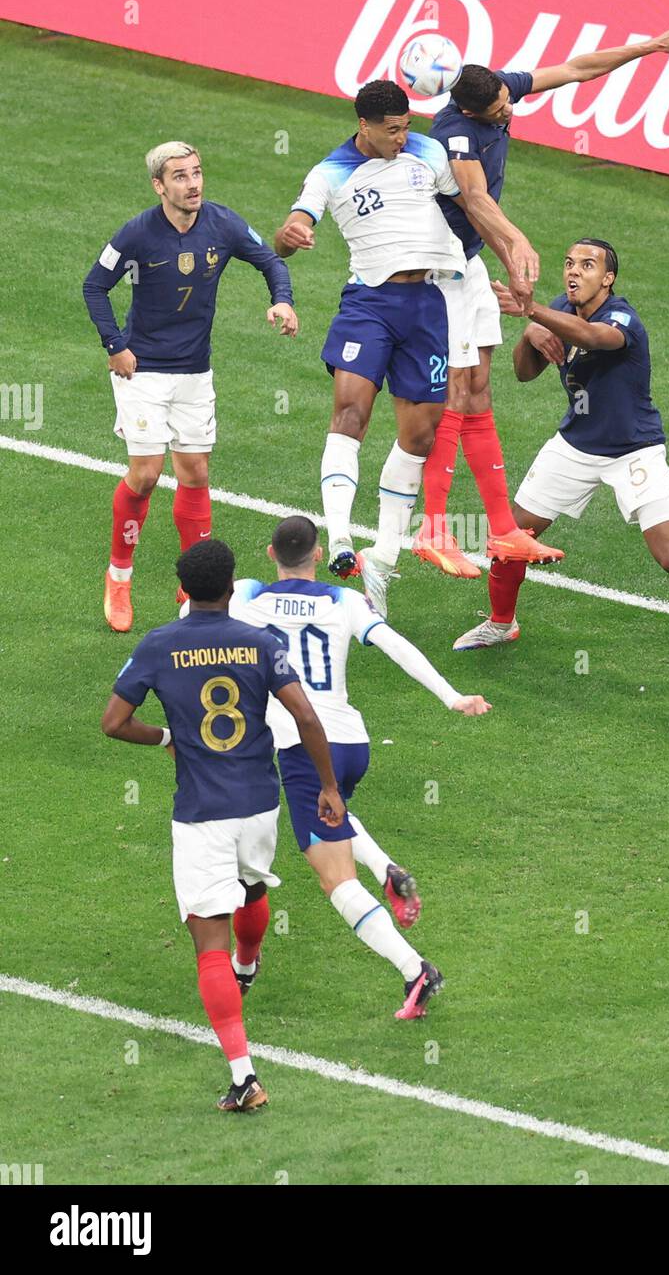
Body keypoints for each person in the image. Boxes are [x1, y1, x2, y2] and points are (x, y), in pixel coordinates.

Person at [417, 22, 669, 578]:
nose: (510, 107)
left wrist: (649, 45)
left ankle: (494, 537)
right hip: (441, 265)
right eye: (501, 106)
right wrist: (515, 245)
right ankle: (433, 526)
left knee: (477, 387)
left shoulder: (494, 87)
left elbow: (575, 67)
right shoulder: (455, 133)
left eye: (508, 96)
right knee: (448, 391)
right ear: (474, 113)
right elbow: (475, 199)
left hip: (469, 261)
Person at [453, 240, 669, 667]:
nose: (574, 272)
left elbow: (595, 338)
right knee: (510, 539)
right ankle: (502, 622)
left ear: (608, 279)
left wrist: (534, 312)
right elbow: (525, 373)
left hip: (634, 451)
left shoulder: (622, 319)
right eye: (569, 264)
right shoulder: (562, 309)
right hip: (575, 445)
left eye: (587, 265)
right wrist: (529, 333)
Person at [274, 80, 539, 618]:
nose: (401, 137)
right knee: (351, 412)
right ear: (364, 126)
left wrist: (512, 249)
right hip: (369, 304)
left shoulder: (427, 152)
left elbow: (470, 205)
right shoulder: (330, 172)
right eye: (391, 129)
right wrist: (290, 236)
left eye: (406, 126)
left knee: (420, 433)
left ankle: (384, 555)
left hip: (429, 304)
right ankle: (343, 539)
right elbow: (293, 227)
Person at [101, 539, 345, 1110]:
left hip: (202, 814)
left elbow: (114, 722)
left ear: (183, 591)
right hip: (261, 802)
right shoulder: (259, 642)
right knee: (253, 886)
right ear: (232, 587)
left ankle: (243, 1077)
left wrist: (167, 738)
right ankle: (250, 963)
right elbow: (305, 715)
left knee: (206, 939)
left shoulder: (159, 644)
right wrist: (329, 788)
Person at [229, 515, 491, 1020]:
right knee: (336, 813)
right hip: (352, 741)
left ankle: (416, 971)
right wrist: (451, 696)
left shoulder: (247, 597)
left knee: (336, 883)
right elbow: (395, 645)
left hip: (306, 748)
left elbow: (194, 604)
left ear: (270, 553)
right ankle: (386, 868)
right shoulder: (344, 601)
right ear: (318, 551)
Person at [84, 143, 297, 633]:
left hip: (195, 371)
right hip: (142, 372)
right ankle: (119, 576)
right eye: (180, 176)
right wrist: (114, 344)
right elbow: (95, 286)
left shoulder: (221, 223)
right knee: (145, 473)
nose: (193, 184)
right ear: (160, 185)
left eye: (197, 173)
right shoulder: (137, 233)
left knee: (196, 471)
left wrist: (281, 301)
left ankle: (193, 584)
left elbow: (271, 261)